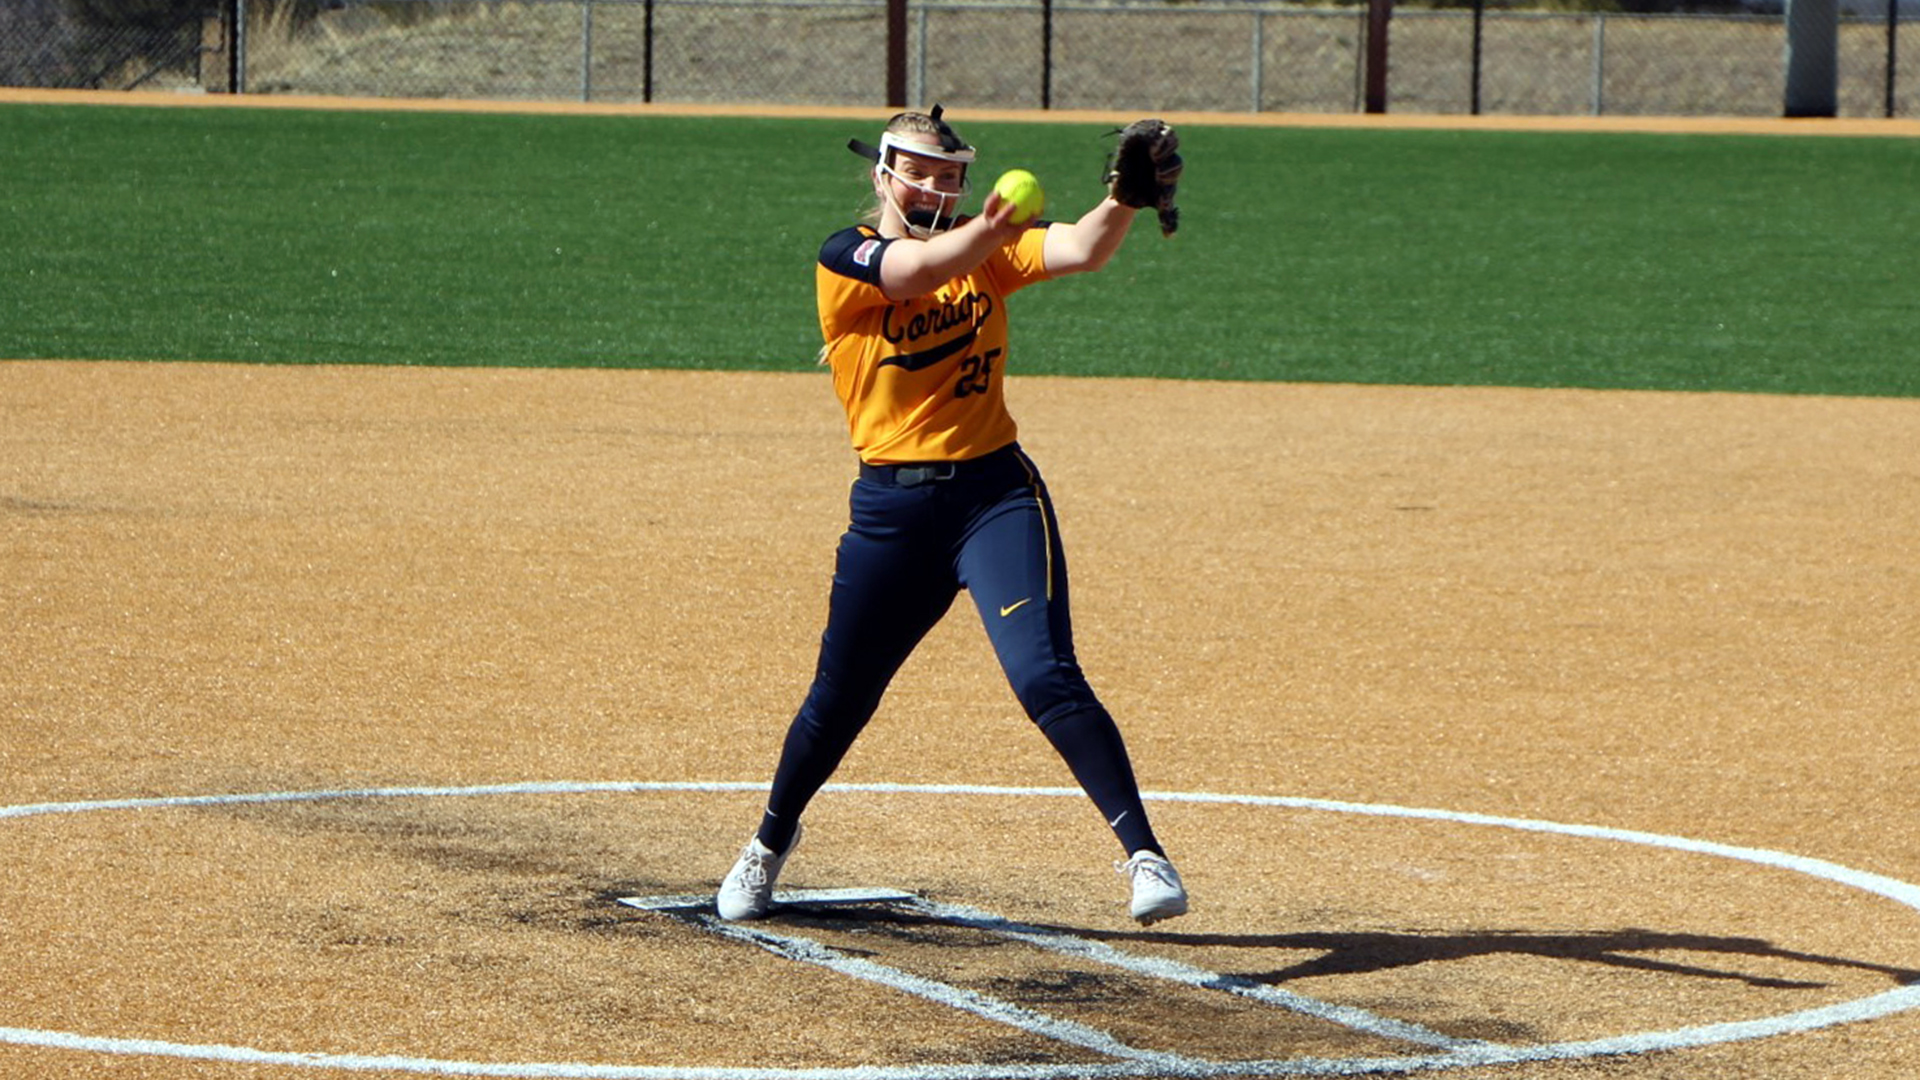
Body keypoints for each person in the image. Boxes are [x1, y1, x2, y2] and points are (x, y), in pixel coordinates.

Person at [716, 106, 1188, 926]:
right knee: (840, 698)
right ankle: (766, 846)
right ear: (883, 175)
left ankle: (1145, 855)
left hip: (992, 498)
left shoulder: (984, 246)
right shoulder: (847, 255)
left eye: (950, 174)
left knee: (1045, 674)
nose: (937, 186)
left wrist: (1126, 199)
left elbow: (1082, 248)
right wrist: (993, 230)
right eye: (920, 171)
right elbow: (914, 272)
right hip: (890, 516)